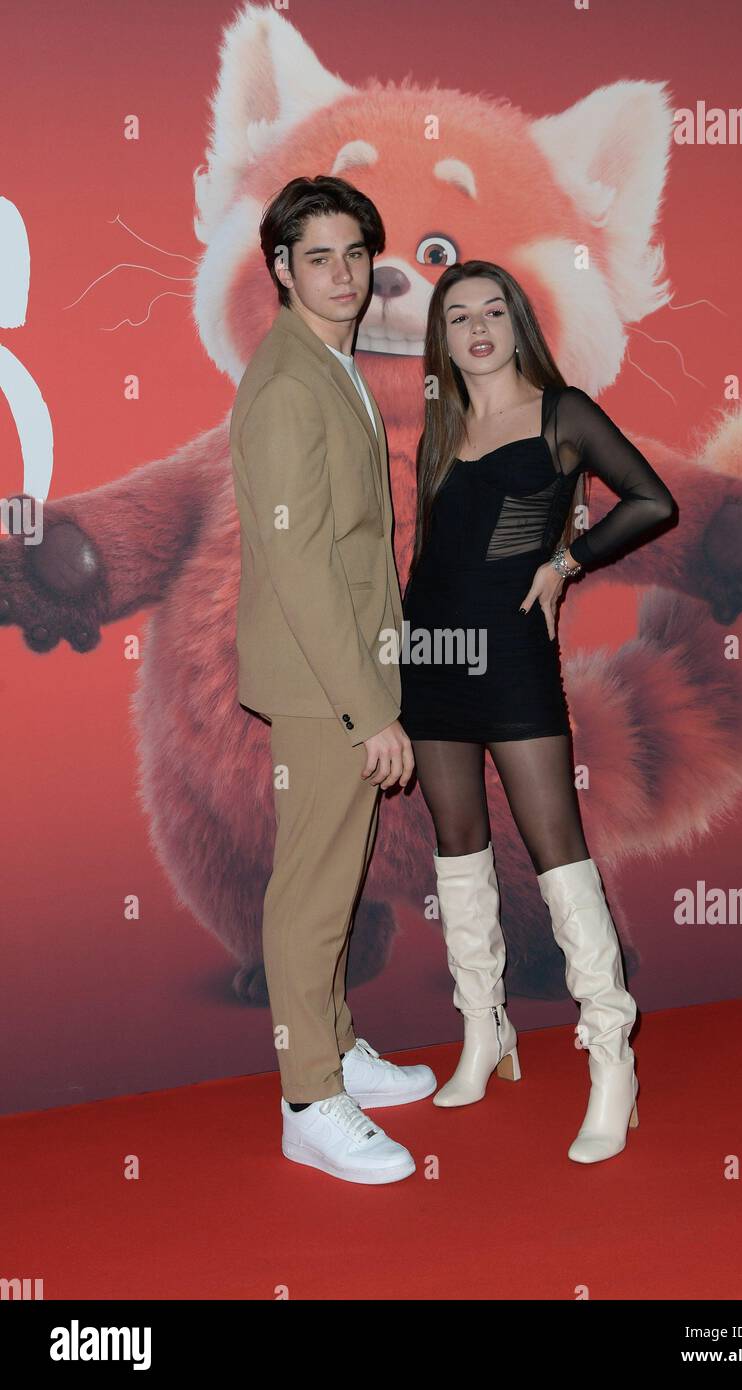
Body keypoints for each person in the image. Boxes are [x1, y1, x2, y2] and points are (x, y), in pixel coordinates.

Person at [400, 259, 677, 1163]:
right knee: (456, 846)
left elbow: (653, 501)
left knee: (557, 849)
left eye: (492, 312)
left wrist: (567, 561)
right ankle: (484, 1031)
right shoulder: (440, 428)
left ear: (518, 323)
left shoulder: (565, 412)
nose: (476, 329)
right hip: (432, 654)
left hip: (514, 656)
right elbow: (431, 559)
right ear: (441, 339)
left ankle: (610, 1058)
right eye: (457, 318)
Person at [229, 175, 435, 1187]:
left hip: (349, 666)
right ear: (280, 269)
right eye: (319, 257)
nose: (344, 274)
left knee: (334, 880)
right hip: (322, 682)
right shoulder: (284, 384)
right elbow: (300, 564)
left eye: (357, 254)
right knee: (310, 891)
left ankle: (332, 1041)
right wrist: (365, 708)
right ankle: (308, 1098)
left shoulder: (328, 360)